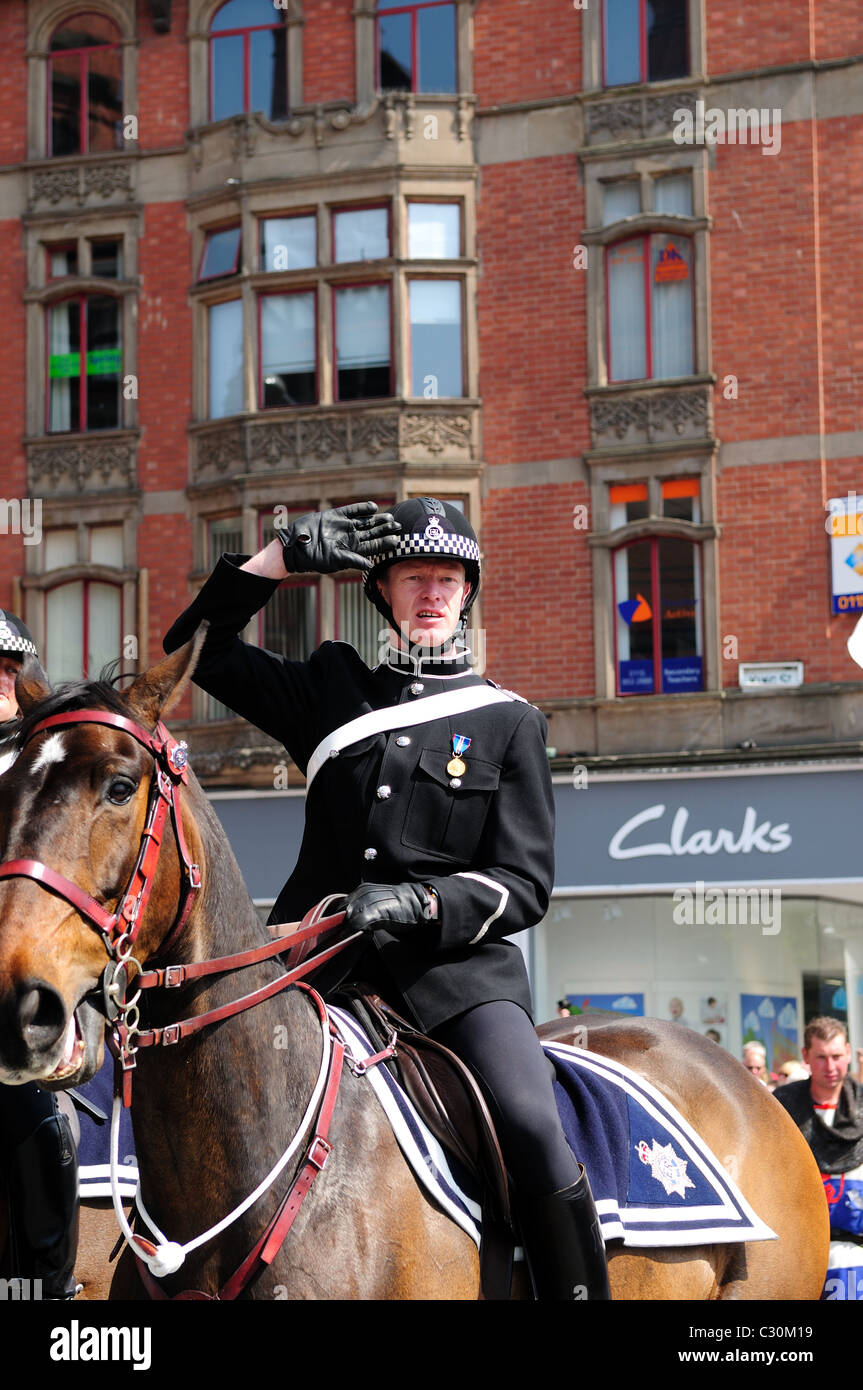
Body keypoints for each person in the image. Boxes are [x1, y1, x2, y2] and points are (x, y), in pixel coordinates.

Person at [163, 497, 610, 1301]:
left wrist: (417, 905)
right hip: (313, 965)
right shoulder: (332, 689)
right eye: (413, 578)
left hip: (454, 983)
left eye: (448, 578)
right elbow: (197, 649)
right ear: (382, 592)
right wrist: (279, 559)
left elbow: (523, 884)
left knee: (532, 1124)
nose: (432, 592)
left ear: (467, 593)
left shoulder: (510, 723)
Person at [0, 611, 80, 1299]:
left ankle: (48, 1292)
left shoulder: (49, 769)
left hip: (22, 986)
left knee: (40, 1127)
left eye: (6, 668)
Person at [773, 1017, 863, 1298]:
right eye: (821, 1057)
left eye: (837, 1056)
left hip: (856, 1253)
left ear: (848, 1052)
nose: (831, 1067)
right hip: (800, 1253)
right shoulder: (783, 1105)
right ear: (805, 1057)